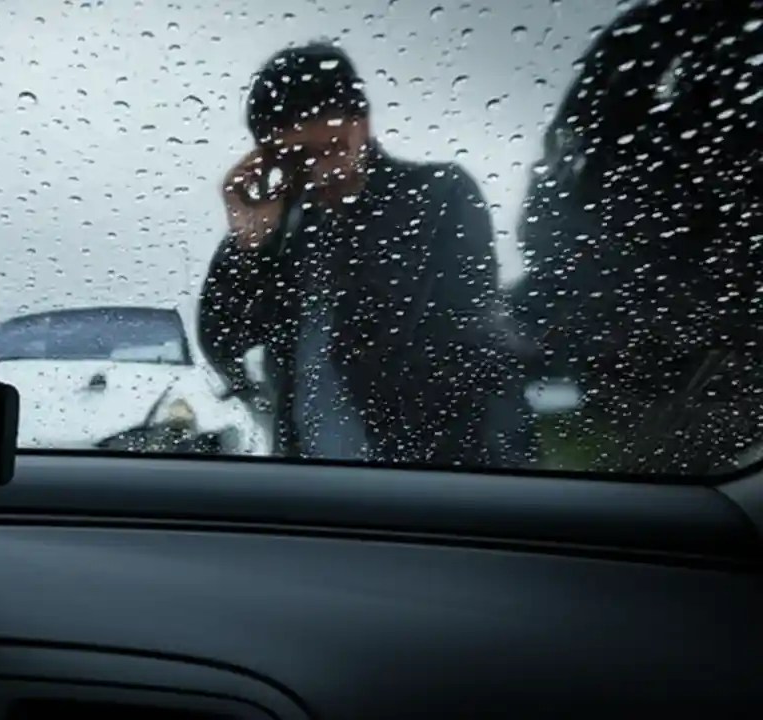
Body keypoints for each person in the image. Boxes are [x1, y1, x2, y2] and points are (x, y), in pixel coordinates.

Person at [197, 41, 537, 467]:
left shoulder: (440, 196)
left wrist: (345, 218)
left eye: (331, 148)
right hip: (310, 480)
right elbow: (223, 341)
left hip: (433, 480)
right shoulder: (286, 233)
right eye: (298, 158)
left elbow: (444, 345)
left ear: (363, 123)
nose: (320, 171)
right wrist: (248, 244)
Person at [510, 0, 763, 473]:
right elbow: (571, 151)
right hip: (653, 325)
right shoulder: (652, 34)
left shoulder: (652, 36)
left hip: (680, 332)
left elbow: (567, 156)